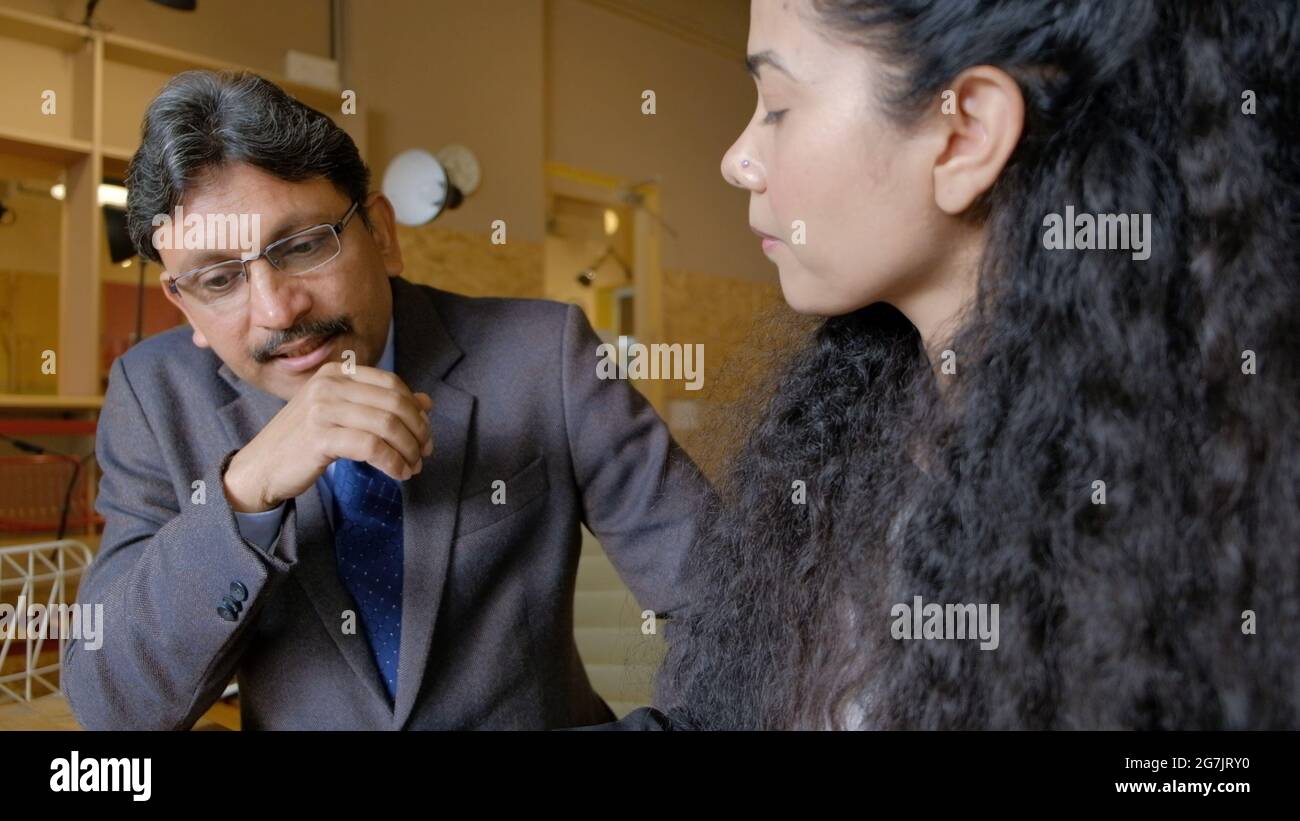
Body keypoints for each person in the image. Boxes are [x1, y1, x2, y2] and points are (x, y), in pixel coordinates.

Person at [636, 0, 1297, 730]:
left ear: (965, 134)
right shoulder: (847, 443)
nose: (736, 160)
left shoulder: (1203, 511)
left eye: (779, 105)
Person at [63, 70, 703, 730]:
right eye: (220, 280)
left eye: (303, 245)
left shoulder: (545, 353)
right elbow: (112, 706)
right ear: (183, 304)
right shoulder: (154, 396)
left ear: (383, 234)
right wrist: (245, 491)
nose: (278, 309)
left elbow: (733, 606)